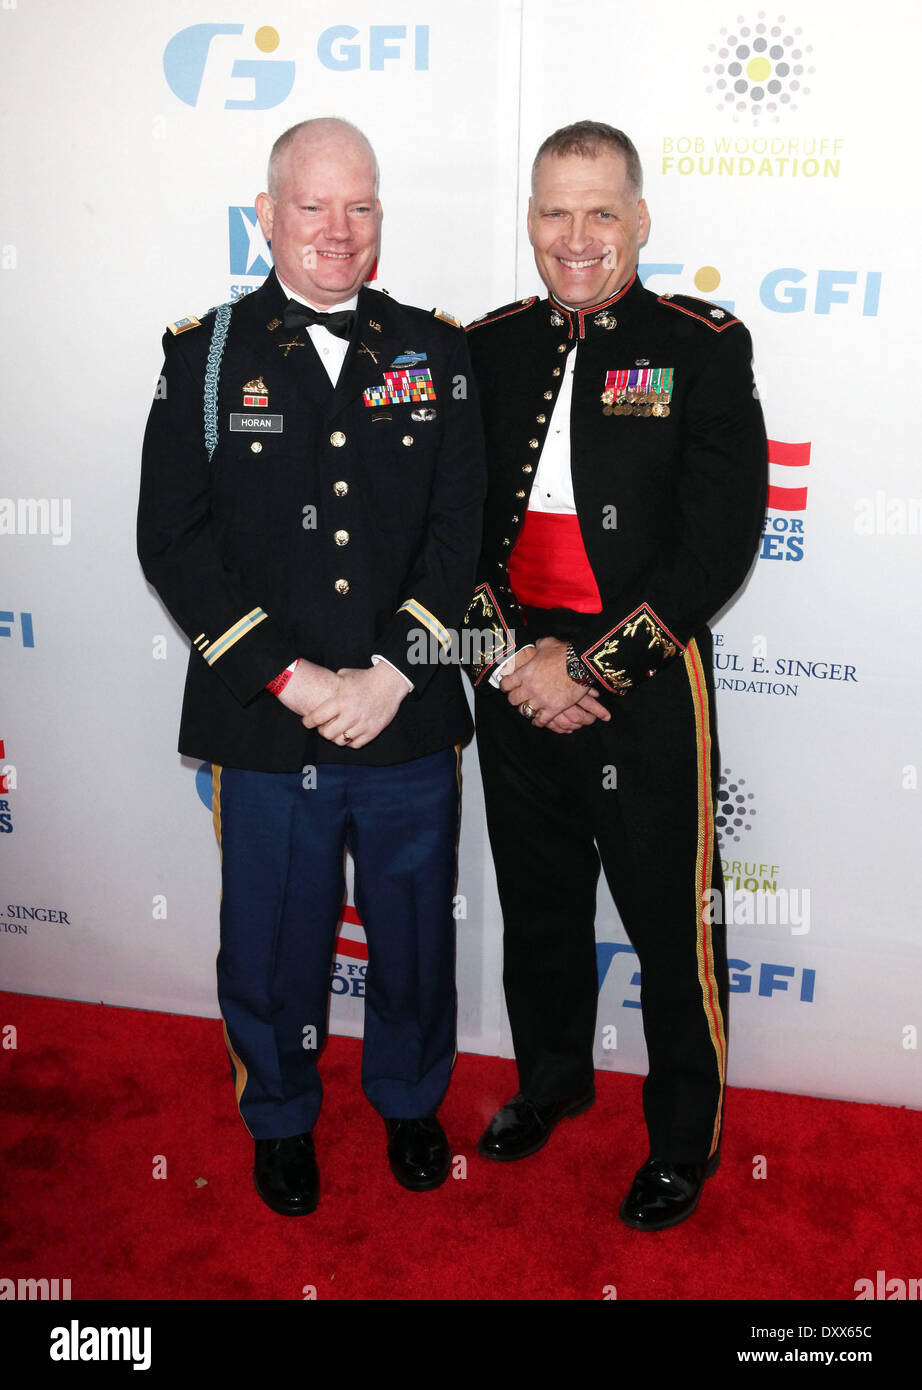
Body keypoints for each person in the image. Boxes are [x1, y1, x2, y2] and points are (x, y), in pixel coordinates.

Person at [138, 117, 485, 1216]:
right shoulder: (202, 355)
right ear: (265, 216)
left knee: (414, 931)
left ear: (381, 217)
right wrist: (292, 678)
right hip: (267, 716)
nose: (339, 231)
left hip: (407, 711)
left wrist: (390, 672)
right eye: (312, 206)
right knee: (274, 939)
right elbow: (171, 538)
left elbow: (461, 527)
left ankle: (410, 1096)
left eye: (361, 206)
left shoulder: (436, 348)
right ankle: (280, 1113)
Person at [461, 121, 767, 1230]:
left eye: (600, 211)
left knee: (667, 922)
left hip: (641, 683)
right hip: (512, 680)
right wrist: (513, 663)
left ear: (639, 220)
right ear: (530, 221)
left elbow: (718, 544)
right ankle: (550, 1080)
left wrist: (590, 667)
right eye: (554, 211)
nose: (576, 236)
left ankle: (683, 1136)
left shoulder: (700, 343)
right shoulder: (488, 348)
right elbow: (456, 532)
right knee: (539, 906)